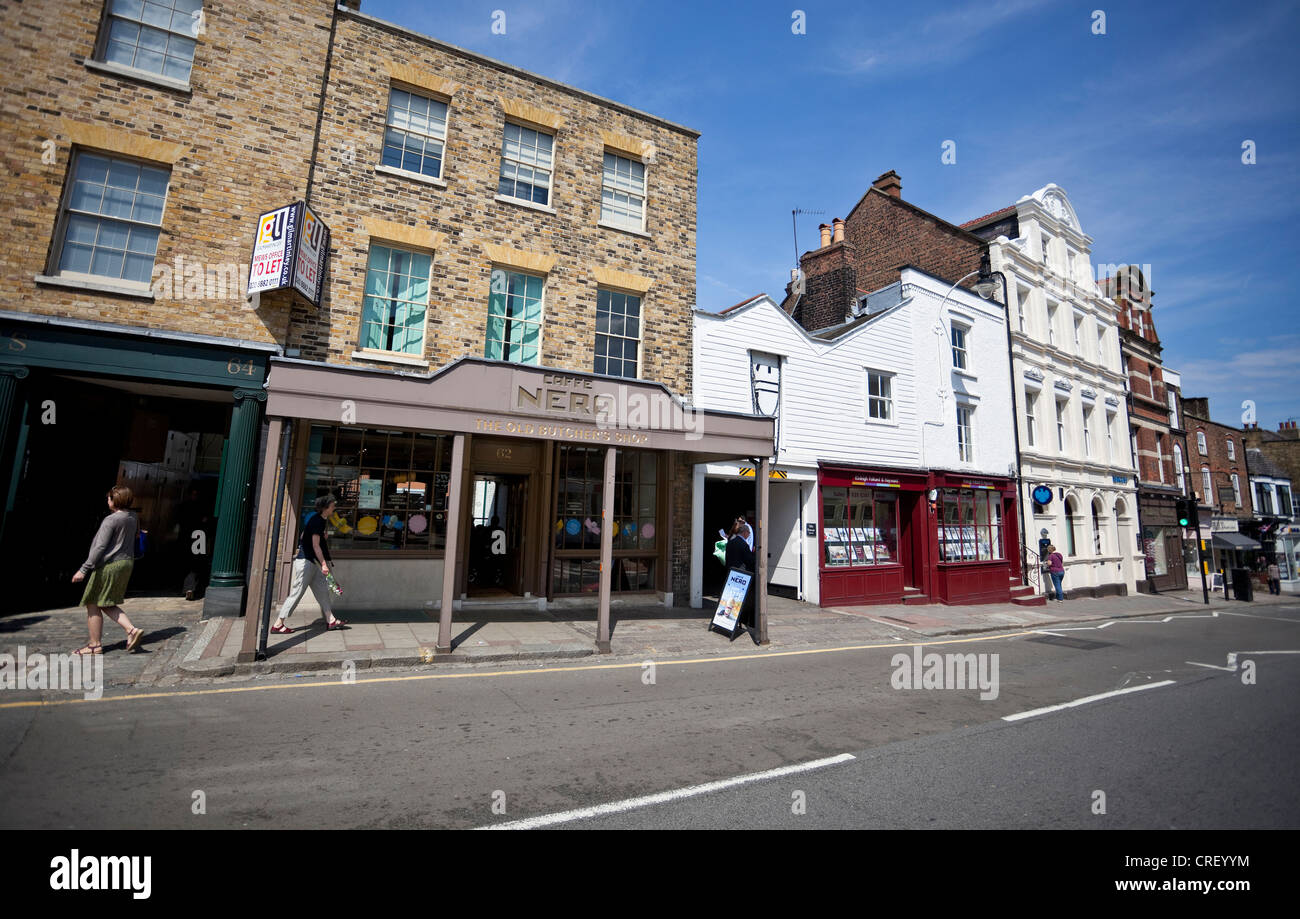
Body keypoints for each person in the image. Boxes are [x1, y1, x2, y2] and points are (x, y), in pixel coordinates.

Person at [71, 486, 145, 655]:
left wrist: (84, 568)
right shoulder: (133, 517)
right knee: (105, 601)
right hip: (126, 562)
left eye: (109, 498)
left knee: (93, 601)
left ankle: (96, 644)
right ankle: (130, 631)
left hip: (110, 565)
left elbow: (100, 547)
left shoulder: (111, 520)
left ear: (115, 500)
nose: (107, 501)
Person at [270, 494, 347, 633]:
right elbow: (315, 546)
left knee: (322, 591)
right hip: (307, 561)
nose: (334, 507)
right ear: (326, 508)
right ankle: (278, 624)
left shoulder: (317, 520)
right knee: (297, 592)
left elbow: (302, 536)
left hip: (313, 562)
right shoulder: (318, 521)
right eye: (332, 505)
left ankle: (331, 620)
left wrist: (320, 536)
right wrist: (324, 564)